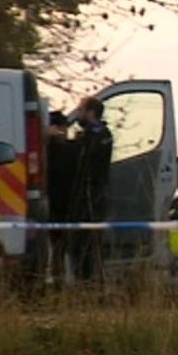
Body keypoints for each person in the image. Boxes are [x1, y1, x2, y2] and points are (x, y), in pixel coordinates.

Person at [68, 96, 113, 285]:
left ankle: (90, 285)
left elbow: (88, 162)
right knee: (78, 245)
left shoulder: (99, 135)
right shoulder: (89, 135)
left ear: (91, 112)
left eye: (80, 110)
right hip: (83, 196)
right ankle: (83, 283)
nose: (78, 114)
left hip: (92, 197)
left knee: (88, 244)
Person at [46, 110, 77, 285]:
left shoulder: (71, 148)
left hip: (68, 204)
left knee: (66, 245)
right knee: (56, 246)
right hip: (53, 204)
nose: (62, 132)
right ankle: (58, 279)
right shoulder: (48, 149)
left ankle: (65, 279)